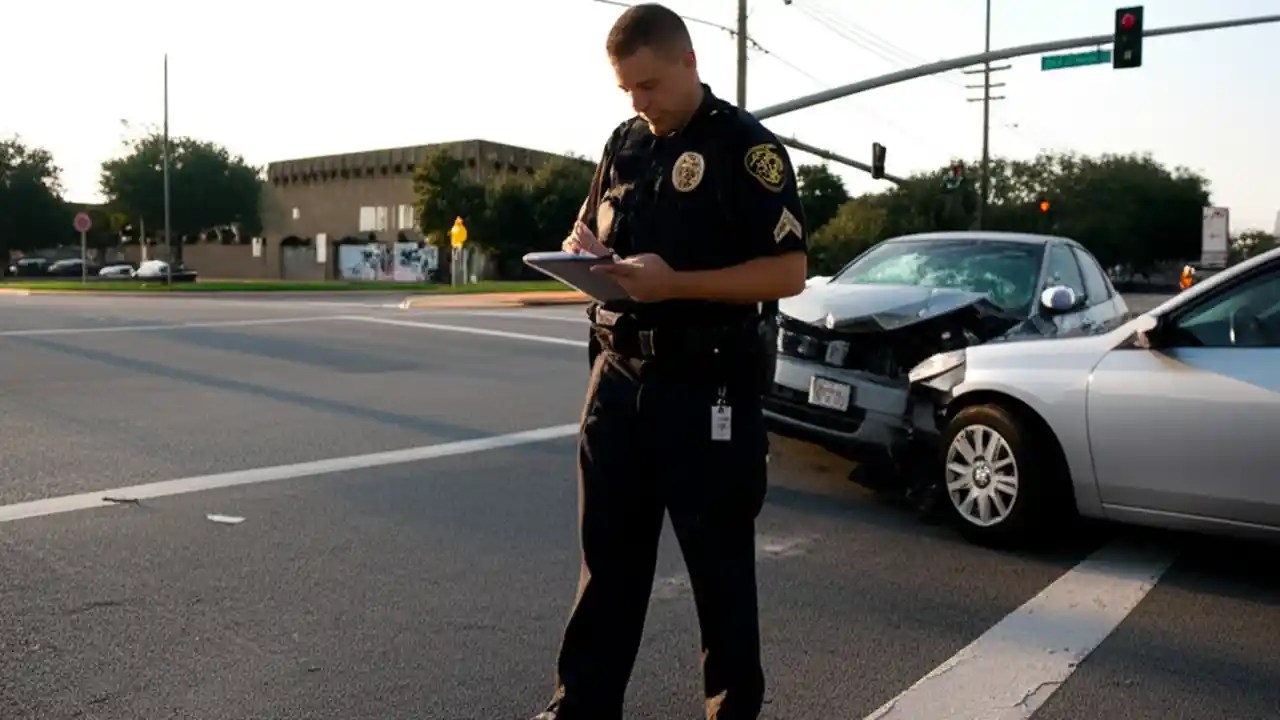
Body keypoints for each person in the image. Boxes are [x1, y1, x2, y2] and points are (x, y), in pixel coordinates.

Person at [532, 4, 808, 719]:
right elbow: (595, 225)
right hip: (618, 380)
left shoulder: (746, 149)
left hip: (705, 383)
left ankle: (730, 711)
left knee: (719, 573)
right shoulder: (625, 141)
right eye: (626, 88)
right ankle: (582, 709)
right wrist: (587, 253)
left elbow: (787, 272)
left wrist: (674, 284)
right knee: (608, 566)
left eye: (649, 85)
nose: (638, 103)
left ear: (689, 61)